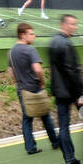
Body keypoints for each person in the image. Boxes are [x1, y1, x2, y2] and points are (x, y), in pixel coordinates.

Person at [9, 22, 59, 155]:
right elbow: (38, 69)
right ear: (22, 35)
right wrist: (42, 83)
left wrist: (19, 82)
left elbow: (10, 71)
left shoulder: (11, 51)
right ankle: (55, 142)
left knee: (27, 119)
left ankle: (30, 147)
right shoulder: (31, 50)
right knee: (46, 116)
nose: (34, 36)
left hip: (22, 89)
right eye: (31, 34)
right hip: (35, 88)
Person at [48, 13, 83, 164]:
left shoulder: (53, 43)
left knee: (63, 126)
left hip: (59, 91)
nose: (74, 27)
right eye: (72, 24)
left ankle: (69, 158)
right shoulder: (65, 44)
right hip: (72, 90)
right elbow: (71, 71)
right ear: (64, 25)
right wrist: (79, 94)